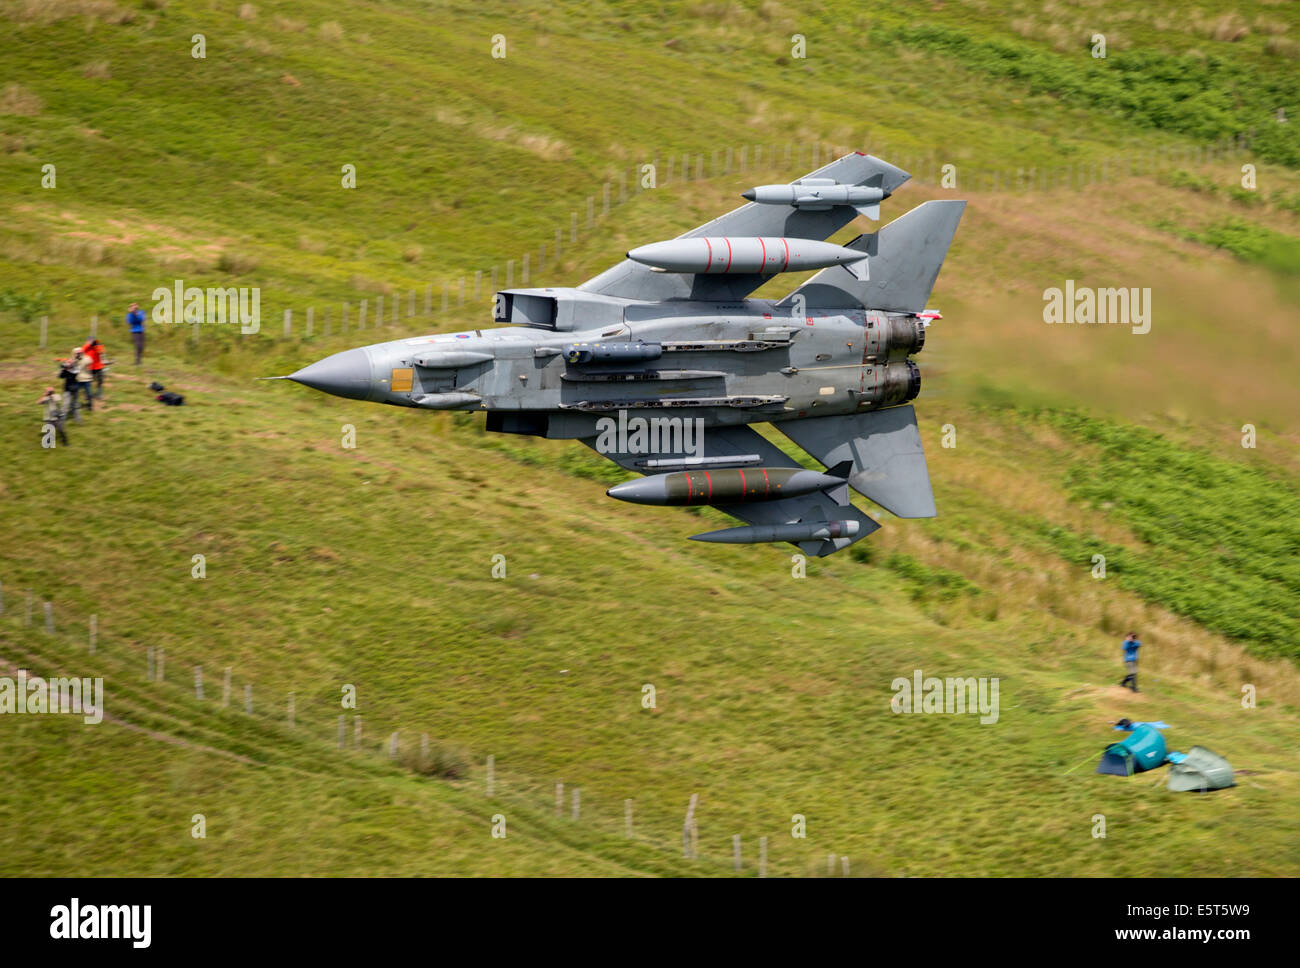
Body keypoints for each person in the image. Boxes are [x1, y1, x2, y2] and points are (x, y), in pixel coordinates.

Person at [57, 351, 84, 423]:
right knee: (65, 405)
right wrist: (64, 369)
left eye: (70, 362)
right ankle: (62, 420)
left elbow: (74, 372)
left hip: (75, 388)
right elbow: (60, 376)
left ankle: (78, 419)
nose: (69, 363)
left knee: (75, 405)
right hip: (67, 389)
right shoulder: (67, 369)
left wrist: (68, 367)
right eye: (69, 362)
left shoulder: (76, 368)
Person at [72, 346, 94, 413]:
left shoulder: (86, 358)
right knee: (75, 393)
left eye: (79, 353)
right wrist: (76, 359)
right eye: (76, 353)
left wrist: (82, 357)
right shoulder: (74, 359)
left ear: (82, 352)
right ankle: (75, 405)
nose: (78, 354)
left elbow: (90, 361)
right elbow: (71, 365)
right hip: (78, 379)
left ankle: (89, 405)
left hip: (87, 379)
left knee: (89, 394)